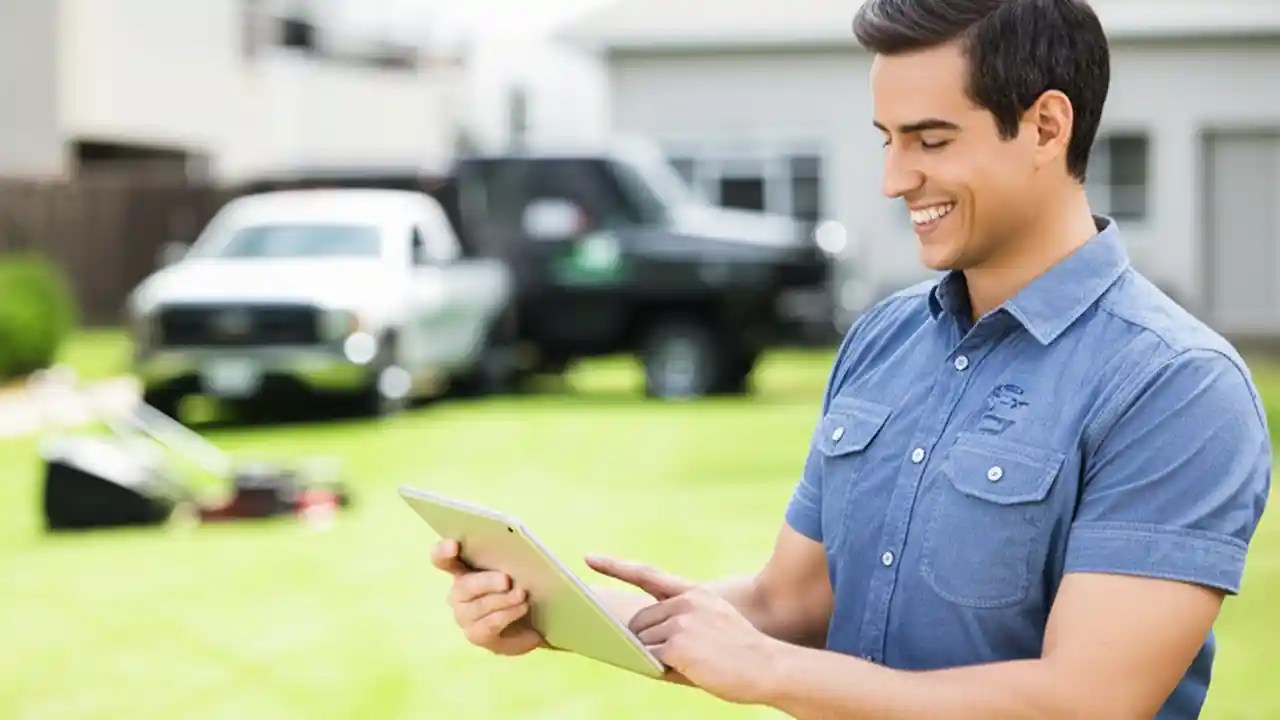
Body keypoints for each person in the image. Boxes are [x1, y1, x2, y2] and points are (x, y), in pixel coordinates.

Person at [430, 0, 1272, 717]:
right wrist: (558, 614)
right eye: (887, 139)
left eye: (931, 141)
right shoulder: (885, 340)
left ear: (1047, 126)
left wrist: (769, 673)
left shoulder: (1176, 386)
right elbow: (789, 603)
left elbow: (1085, 699)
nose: (894, 178)